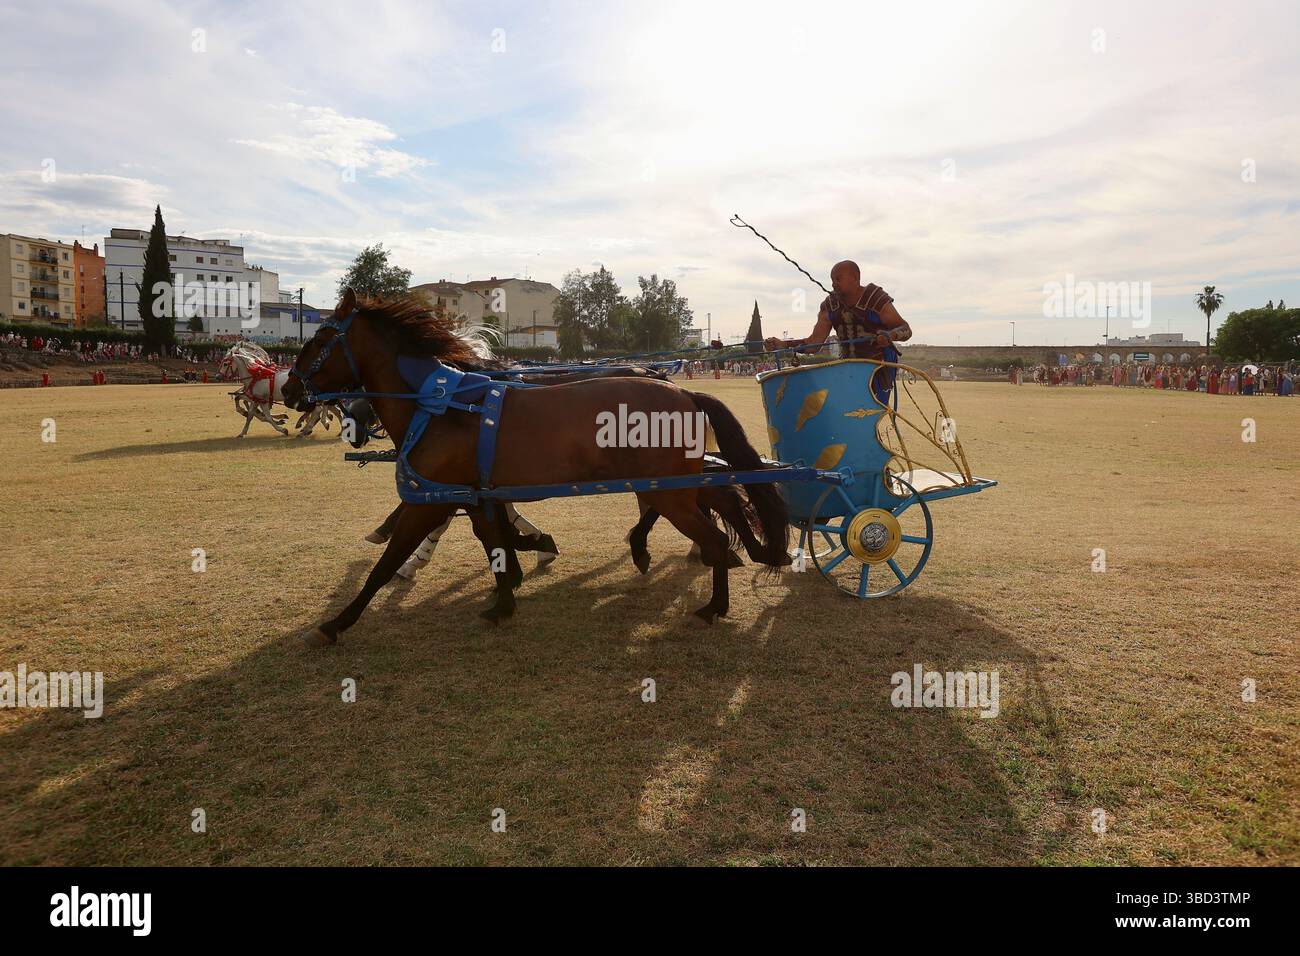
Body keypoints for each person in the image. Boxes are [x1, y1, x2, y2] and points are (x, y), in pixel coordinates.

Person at [764, 260, 911, 403]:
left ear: (855, 278)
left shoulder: (875, 299)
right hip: (846, 368)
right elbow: (814, 344)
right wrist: (783, 345)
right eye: (832, 280)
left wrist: (890, 335)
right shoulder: (830, 305)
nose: (834, 284)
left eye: (838, 279)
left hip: (878, 368)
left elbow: (905, 329)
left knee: (867, 410)